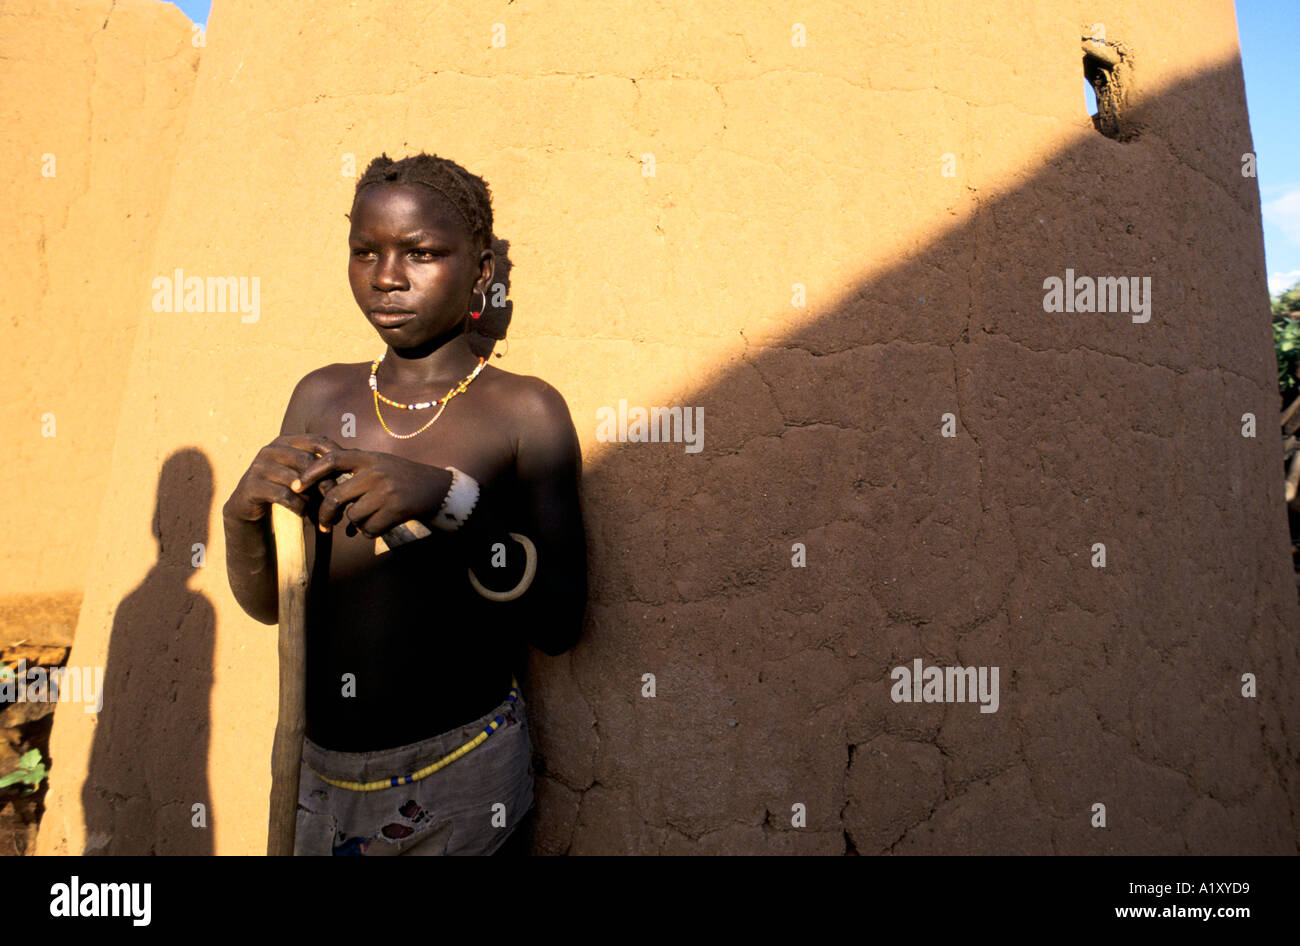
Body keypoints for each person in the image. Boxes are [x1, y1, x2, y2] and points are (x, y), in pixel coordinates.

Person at [222, 152, 588, 855]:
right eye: (366, 252)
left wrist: (450, 500)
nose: (387, 277)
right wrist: (242, 523)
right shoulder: (322, 398)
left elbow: (560, 622)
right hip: (321, 777)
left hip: (463, 776)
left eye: (420, 253)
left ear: (480, 270)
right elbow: (277, 604)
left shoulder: (522, 412)